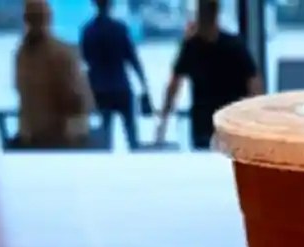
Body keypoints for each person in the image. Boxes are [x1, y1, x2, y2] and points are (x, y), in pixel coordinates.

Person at [156, 0, 261, 150]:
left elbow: (173, 86)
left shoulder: (192, 47)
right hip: (228, 122)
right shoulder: (234, 45)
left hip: (207, 123)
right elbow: (254, 84)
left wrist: (163, 122)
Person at [15, 0, 94, 150]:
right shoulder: (61, 53)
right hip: (53, 140)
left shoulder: (23, 55)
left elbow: (77, 99)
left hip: (49, 139)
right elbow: (79, 99)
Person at [80, 0, 149, 151]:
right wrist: (144, 85)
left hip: (100, 89)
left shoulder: (88, 31)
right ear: (111, 4)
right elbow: (133, 59)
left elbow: (85, 59)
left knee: (104, 138)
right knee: (132, 136)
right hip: (121, 87)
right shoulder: (120, 29)